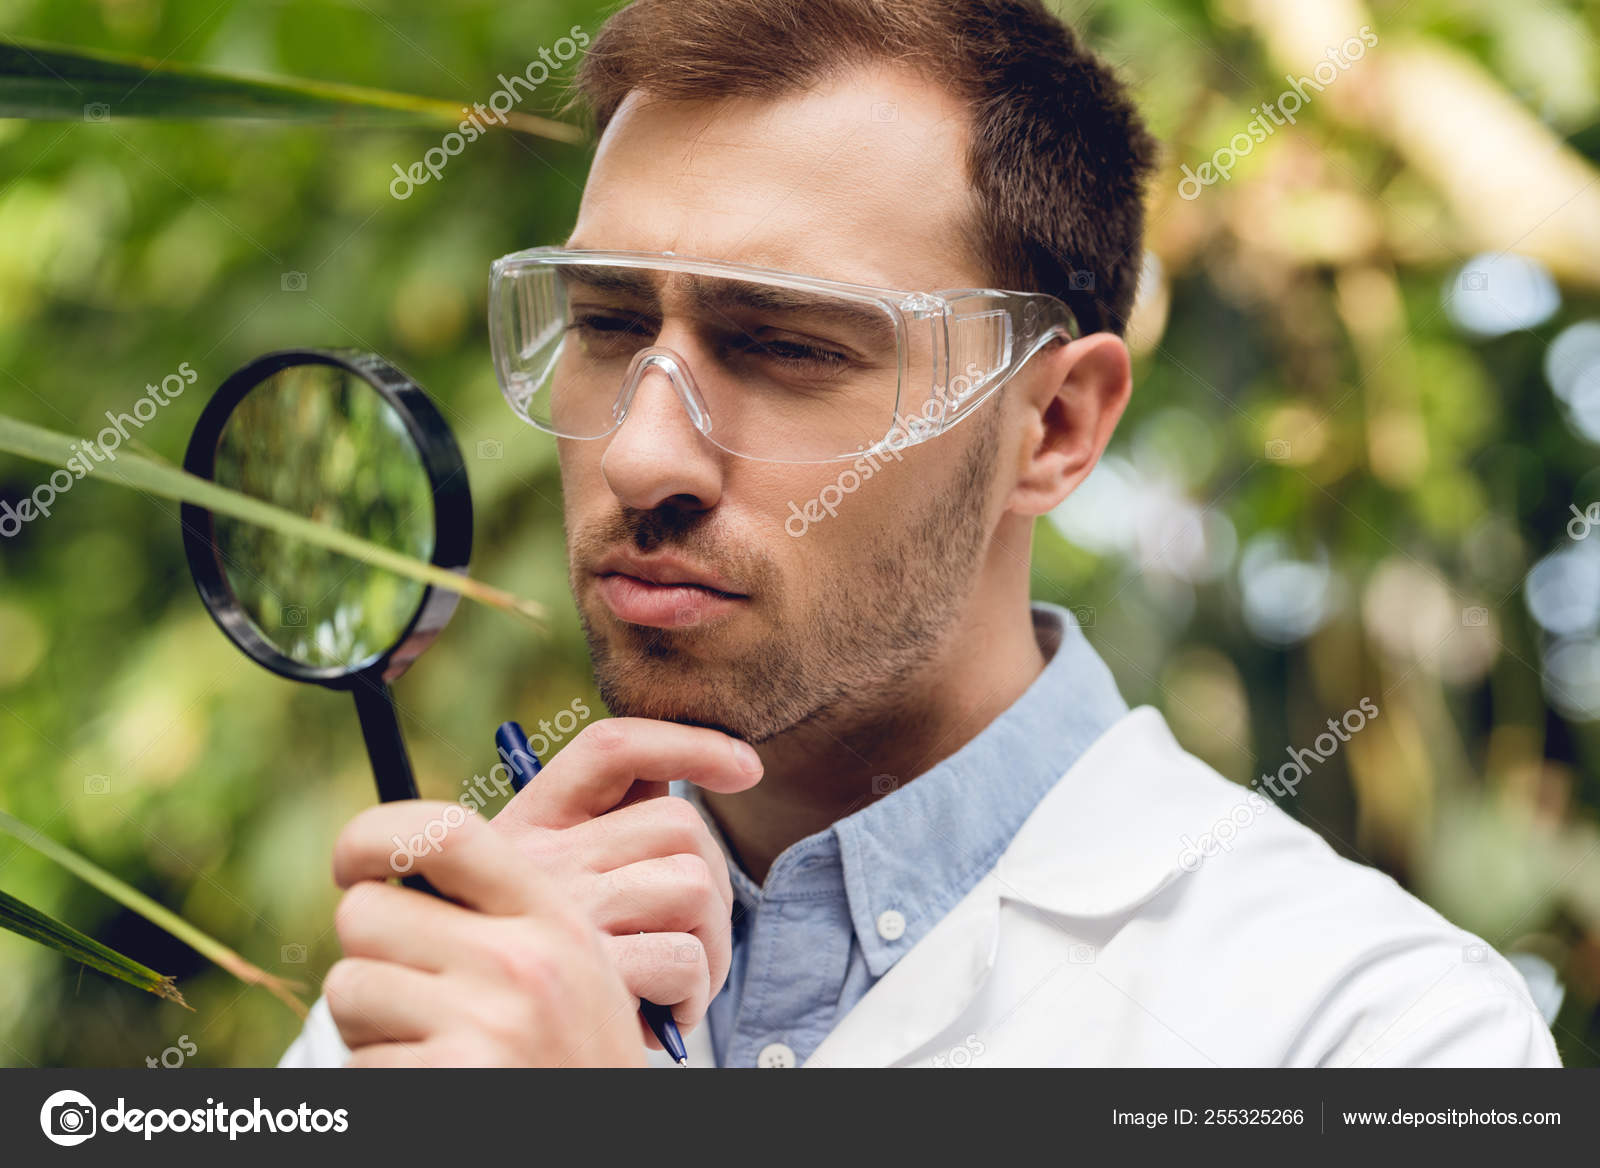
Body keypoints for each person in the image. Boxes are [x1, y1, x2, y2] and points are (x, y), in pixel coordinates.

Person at [279, 0, 1560, 1068]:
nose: (638, 454)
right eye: (608, 324)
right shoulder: (442, 998)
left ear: (1052, 424)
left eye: (784, 344)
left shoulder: (1376, 1030)